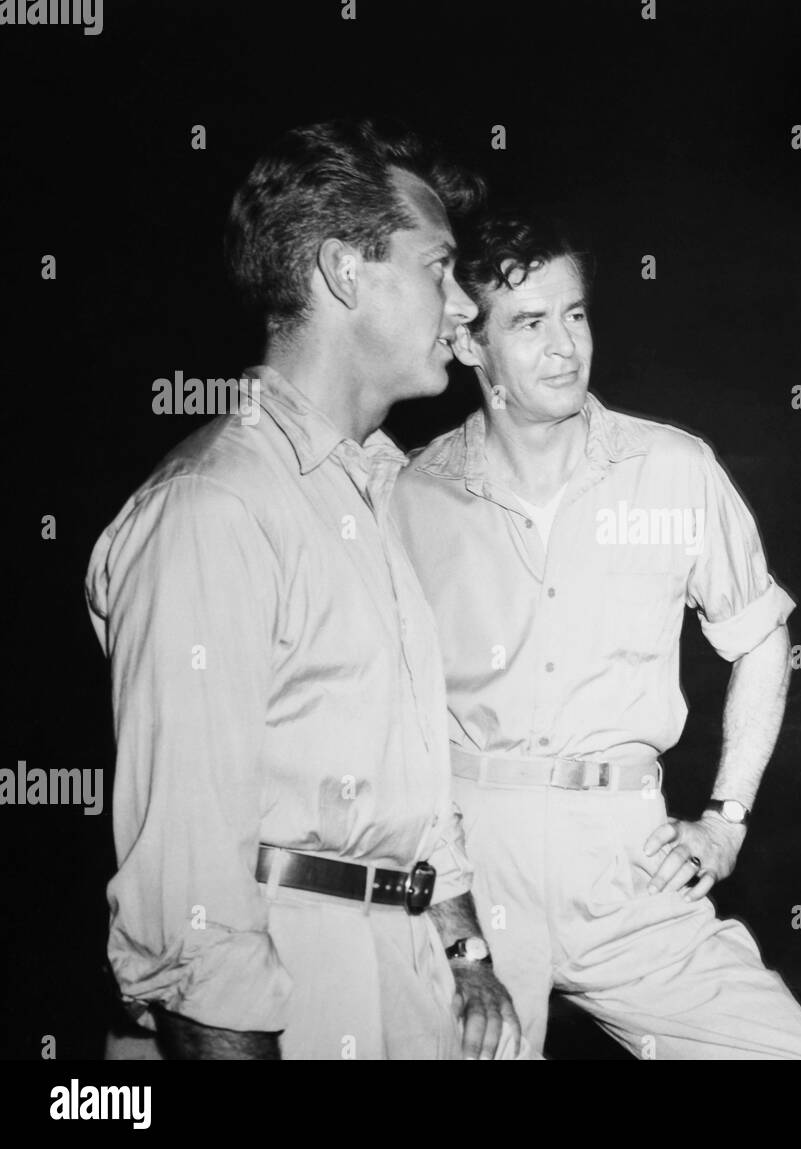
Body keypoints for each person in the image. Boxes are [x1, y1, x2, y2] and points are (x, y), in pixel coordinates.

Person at [86, 119, 524, 1060]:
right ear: (342, 271)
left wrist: (464, 948)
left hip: (406, 977)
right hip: (295, 992)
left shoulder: (367, 494)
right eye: (438, 268)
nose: (463, 307)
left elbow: (406, 787)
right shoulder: (214, 506)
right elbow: (189, 902)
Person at [392, 213, 801, 1059]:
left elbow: (760, 638)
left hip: (627, 865)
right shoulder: (412, 498)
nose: (565, 345)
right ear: (470, 344)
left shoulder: (671, 468)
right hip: (467, 874)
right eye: (530, 323)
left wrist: (727, 817)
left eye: (576, 314)